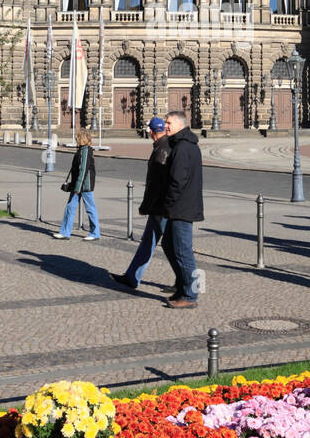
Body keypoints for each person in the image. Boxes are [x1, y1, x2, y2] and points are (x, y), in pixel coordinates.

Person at [110, 117, 172, 292]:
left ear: (151, 131)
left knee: (173, 247)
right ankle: (132, 277)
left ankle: (184, 283)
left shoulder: (161, 149)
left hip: (161, 207)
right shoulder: (164, 146)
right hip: (159, 206)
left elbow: (156, 184)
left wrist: (146, 205)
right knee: (148, 242)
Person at [160, 110, 204, 309]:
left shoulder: (183, 147)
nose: (165, 126)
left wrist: (167, 204)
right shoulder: (182, 144)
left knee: (183, 251)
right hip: (180, 206)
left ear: (180, 124)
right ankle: (182, 286)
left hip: (180, 208)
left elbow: (177, 181)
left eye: (168, 123)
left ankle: (190, 295)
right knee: (169, 245)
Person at [54, 128, 101, 240]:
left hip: (85, 185)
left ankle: (95, 233)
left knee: (90, 208)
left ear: (81, 139)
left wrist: (78, 187)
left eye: (77, 137)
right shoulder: (81, 150)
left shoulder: (86, 150)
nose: (76, 139)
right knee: (70, 207)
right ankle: (65, 232)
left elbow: (83, 169)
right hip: (78, 185)